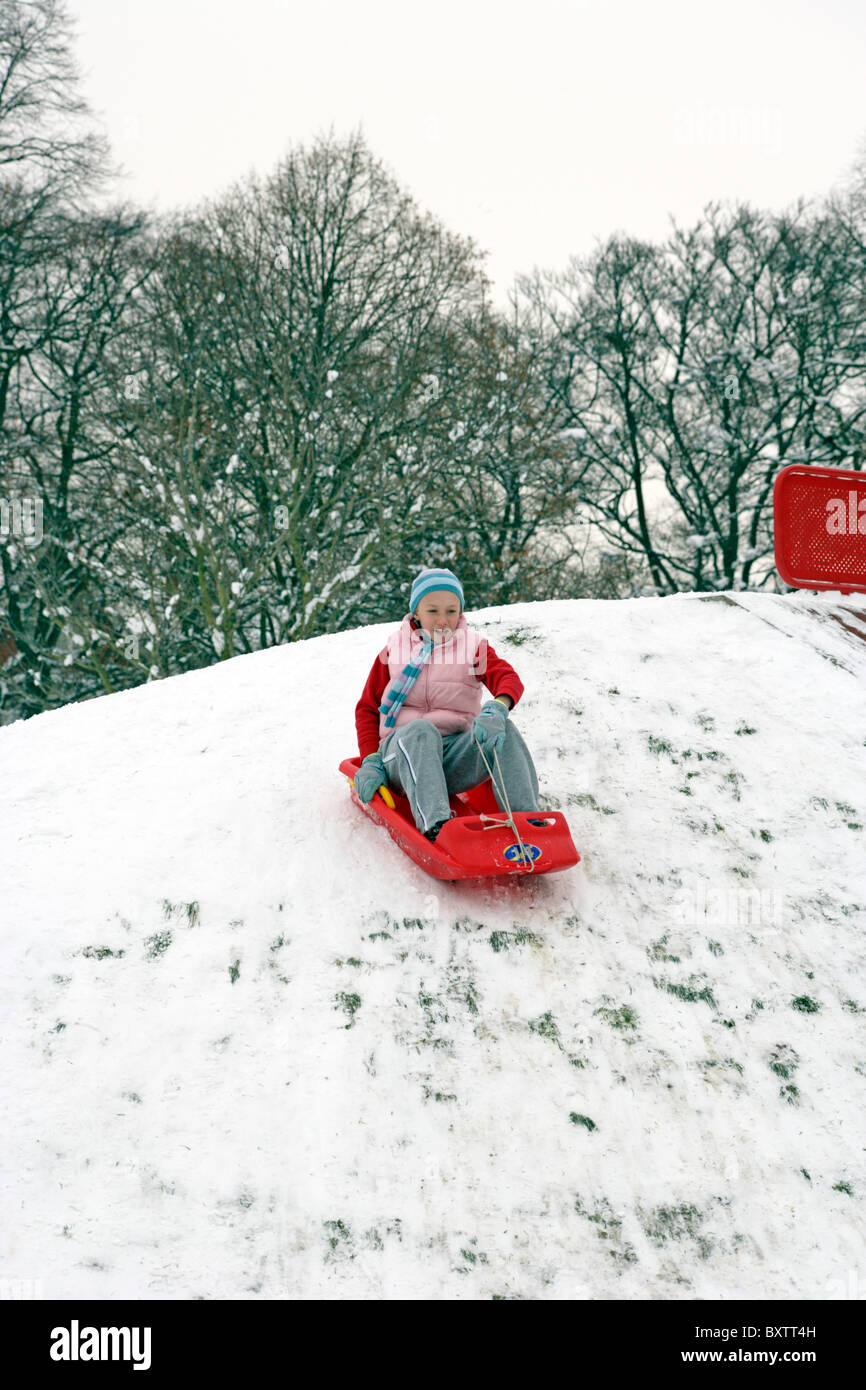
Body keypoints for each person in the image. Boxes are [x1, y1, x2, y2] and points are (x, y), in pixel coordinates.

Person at [353, 566, 544, 842]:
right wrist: (370, 760)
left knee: (506, 731)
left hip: (451, 756)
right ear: (416, 612)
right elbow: (367, 709)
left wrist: (497, 709)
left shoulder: (473, 648)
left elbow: (507, 678)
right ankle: (438, 827)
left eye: (451, 611)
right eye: (432, 611)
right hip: (402, 755)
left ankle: (528, 822)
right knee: (421, 730)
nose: (443, 620)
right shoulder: (393, 651)